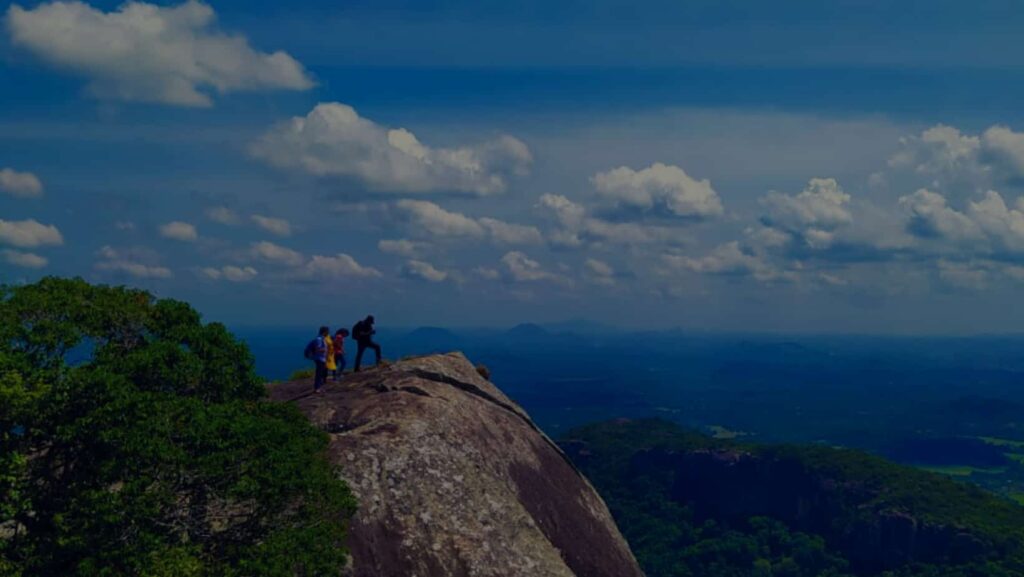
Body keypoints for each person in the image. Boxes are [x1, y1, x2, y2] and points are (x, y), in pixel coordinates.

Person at [310, 326, 329, 393]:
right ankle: (317, 388)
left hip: (322, 358)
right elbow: (318, 349)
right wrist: (325, 349)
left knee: (321, 373)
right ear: (324, 332)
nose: (328, 333)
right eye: (327, 331)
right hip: (319, 358)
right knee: (319, 374)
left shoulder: (322, 338)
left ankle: (319, 387)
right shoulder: (319, 339)